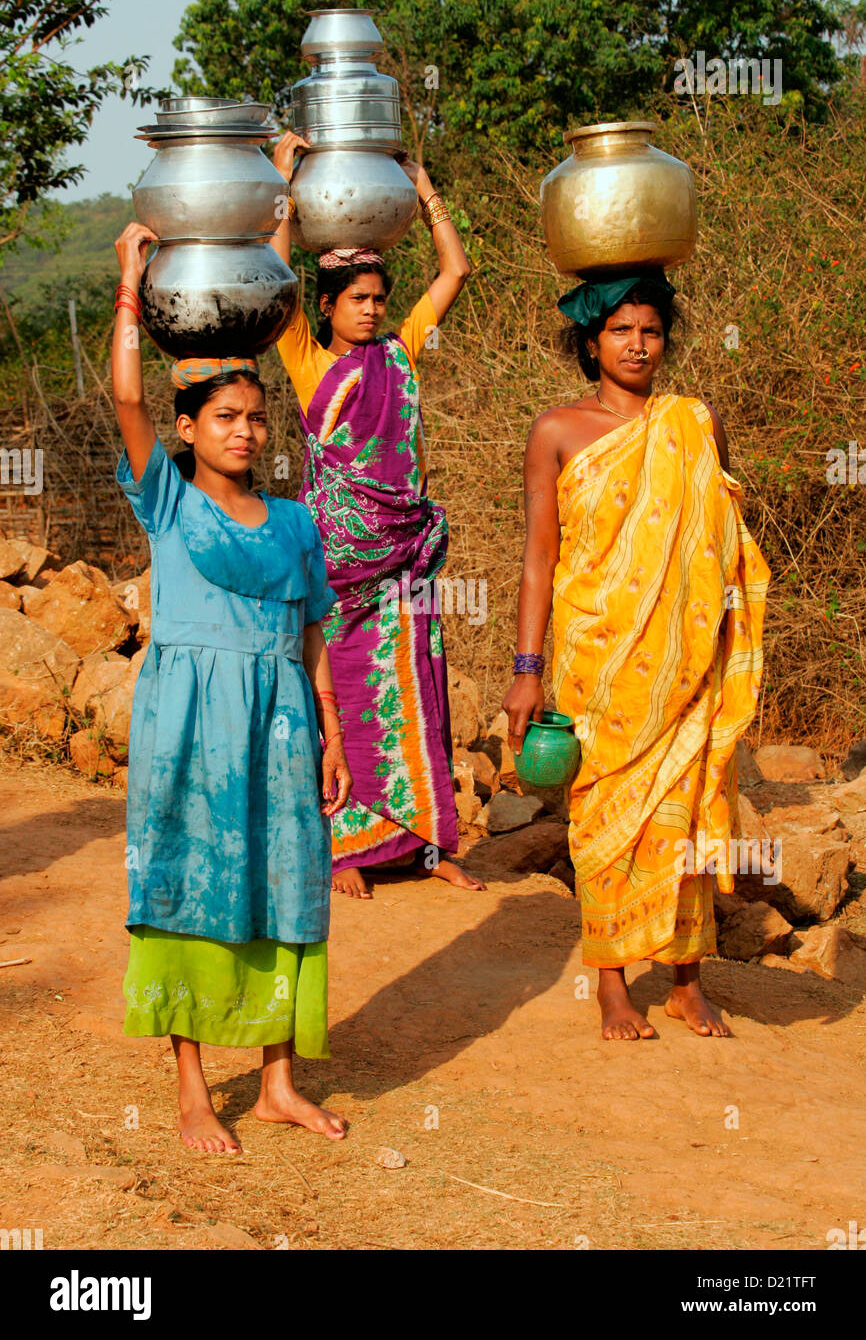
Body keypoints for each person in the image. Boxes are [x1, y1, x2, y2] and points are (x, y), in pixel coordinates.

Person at [112, 222, 352, 1153]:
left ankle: (279, 1084)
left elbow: (311, 629)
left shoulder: (295, 523)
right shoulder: (167, 500)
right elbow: (127, 393)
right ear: (188, 429)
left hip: (281, 718)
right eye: (225, 418)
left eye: (256, 418)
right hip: (188, 719)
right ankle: (190, 1090)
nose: (246, 432)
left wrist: (330, 727)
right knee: (188, 883)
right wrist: (131, 283)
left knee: (284, 884)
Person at [504, 271, 770, 1041]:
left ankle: (687, 980)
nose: (637, 345)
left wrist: (715, 629)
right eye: (621, 331)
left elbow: (716, 538)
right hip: (599, 654)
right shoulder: (556, 430)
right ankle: (613, 981)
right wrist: (526, 670)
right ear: (592, 343)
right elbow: (538, 558)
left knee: (683, 806)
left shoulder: (690, 422)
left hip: (683, 655)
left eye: (650, 331)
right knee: (604, 817)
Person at [269, 131, 485, 900]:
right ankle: (350, 846)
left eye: (380, 300)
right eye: (358, 300)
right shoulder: (305, 356)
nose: (371, 311)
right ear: (326, 307)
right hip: (339, 561)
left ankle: (427, 841)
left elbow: (457, 269)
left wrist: (426, 192)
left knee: (420, 688)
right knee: (348, 691)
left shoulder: (398, 354)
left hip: (403, 555)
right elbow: (271, 272)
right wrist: (284, 180)